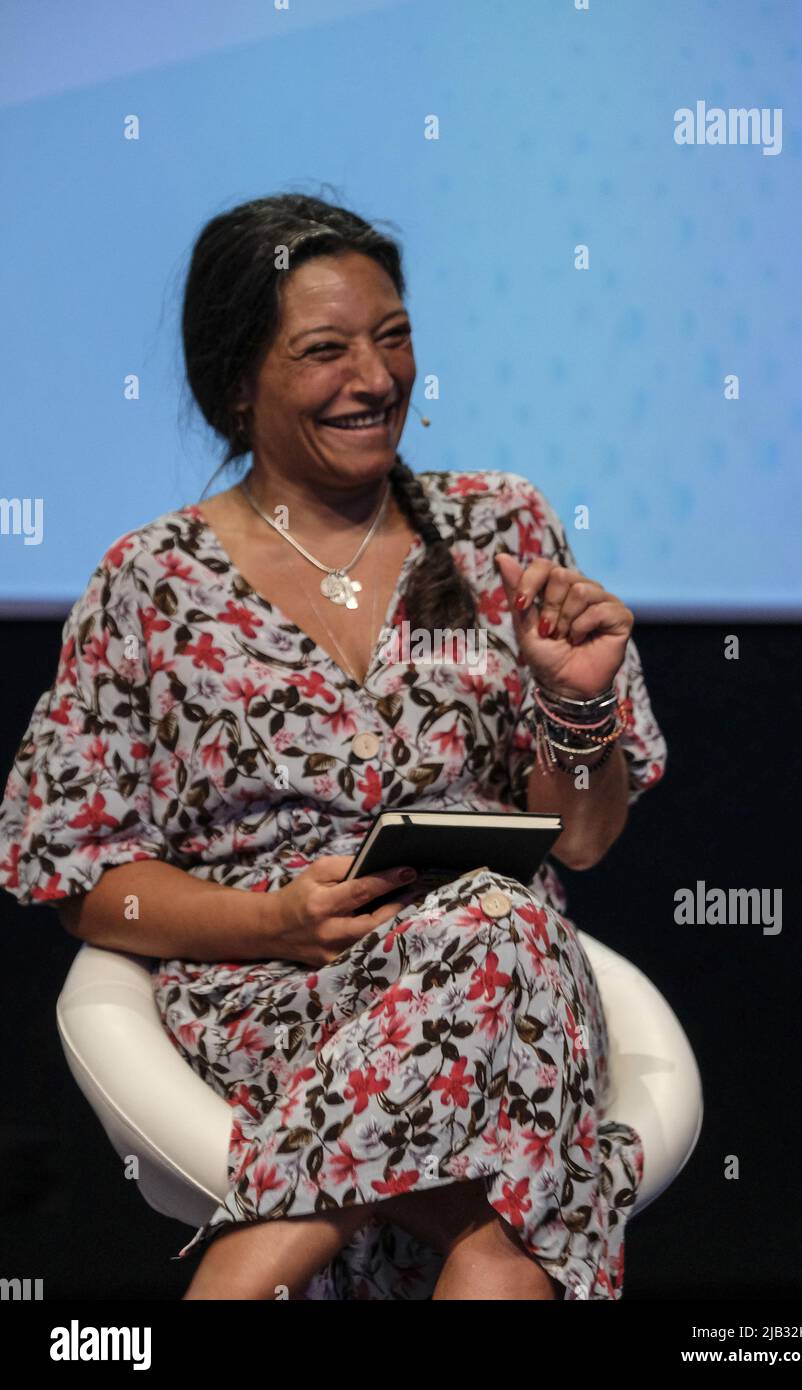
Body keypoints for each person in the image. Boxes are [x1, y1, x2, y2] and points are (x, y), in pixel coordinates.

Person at [0, 192, 667, 1301]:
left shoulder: (502, 528)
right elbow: (81, 886)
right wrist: (275, 917)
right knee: (518, 1175)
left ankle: (242, 1269)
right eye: (326, 350)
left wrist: (576, 705)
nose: (375, 377)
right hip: (271, 998)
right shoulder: (149, 583)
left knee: (497, 922)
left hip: (505, 988)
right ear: (233, 381)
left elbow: (586, 839)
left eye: (393, 335)